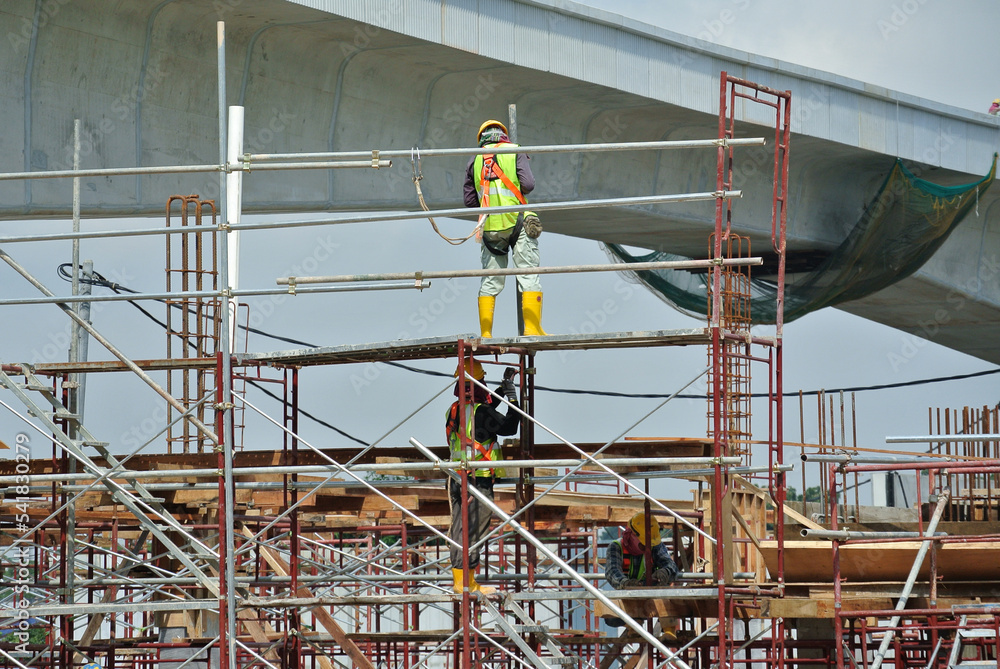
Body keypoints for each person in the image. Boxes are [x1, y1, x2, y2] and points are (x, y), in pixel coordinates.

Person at [464, 119, 547, 337]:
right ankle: (531, 329)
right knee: (528, 274)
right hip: (518, 220)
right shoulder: (515, 151)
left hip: (490, 227)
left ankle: (486, 333)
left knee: (490, 280)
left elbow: (469, 200)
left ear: (482, 137)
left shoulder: (475, 159)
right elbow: (528, 185)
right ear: (503, 134)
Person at [446, 357, 520, 595]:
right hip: (478, 479)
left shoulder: (455, 410)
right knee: (474, 530)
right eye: (483, 382)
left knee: (460, 529)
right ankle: (467, 583)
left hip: (458, 478)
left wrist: (502, 387)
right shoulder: (480, 412)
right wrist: (512, 398)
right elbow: (509, 426)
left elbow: (487, 409)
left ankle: (461, 581)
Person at [605, 513, 679, 590]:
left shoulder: (655, 545)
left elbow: (671, 565)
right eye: (644, 542)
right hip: (625, 597)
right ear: (632, 534)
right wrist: (626, 583)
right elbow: (612, 572)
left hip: (651, 595)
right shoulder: (617, 547)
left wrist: (665, 572)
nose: (648, 546)